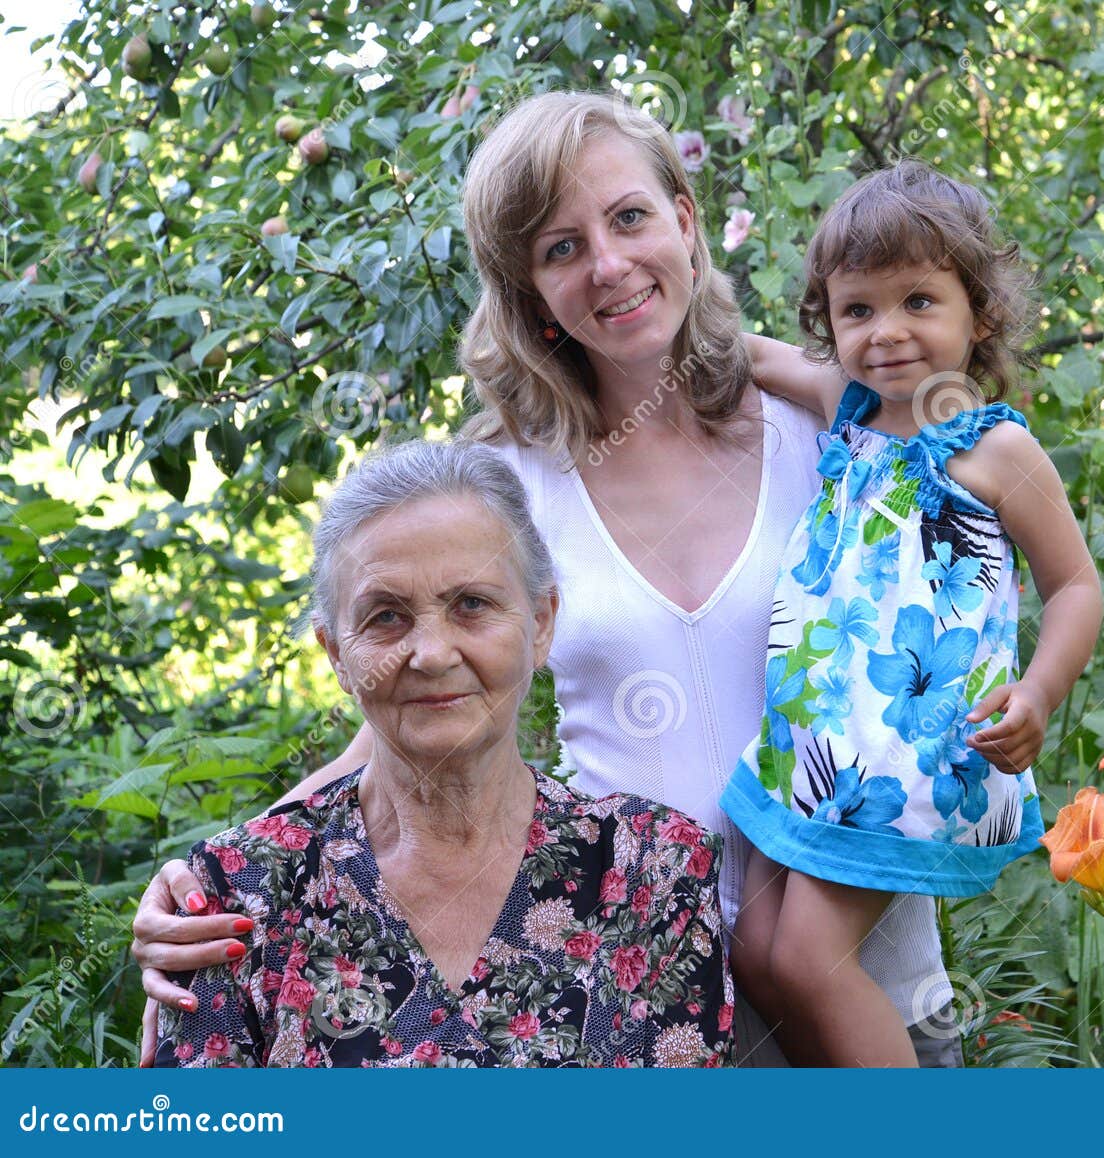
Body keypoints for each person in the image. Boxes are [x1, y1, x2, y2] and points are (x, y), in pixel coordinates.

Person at [132, 90, 956, 1067]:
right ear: (529, 290)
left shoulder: (831, 434)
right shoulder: (508, 487)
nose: (608, 264)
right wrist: (210, 881)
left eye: (630, 218)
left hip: (865, 974)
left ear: (685, 222)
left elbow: (962, 591)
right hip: (641, 998)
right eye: (562, 248)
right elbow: (404, 711)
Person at [153, 439, 733, 1067]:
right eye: (386, 617)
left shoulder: (653, 871)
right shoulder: (240, 892)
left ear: (541, 623)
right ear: (336, 655)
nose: (431, 654)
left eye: (472, 605)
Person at [721, 160, 1102, 1066]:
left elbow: (1077, 587)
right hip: (814, 738)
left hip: (909, 749)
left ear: (981, 315)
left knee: (808, 960)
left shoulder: (994, 449)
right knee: (757, 954)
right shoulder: (845, 405)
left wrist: (1038, 694)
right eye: (857, 310)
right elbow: (742, 351)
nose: (886, 332)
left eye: (919, 302)